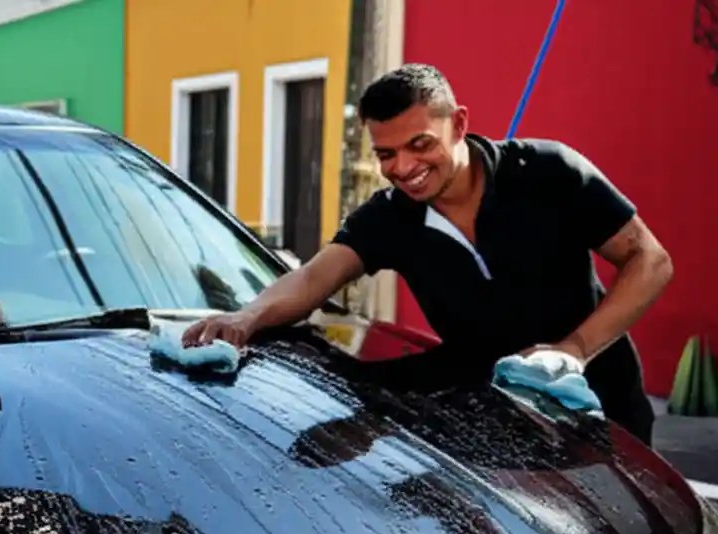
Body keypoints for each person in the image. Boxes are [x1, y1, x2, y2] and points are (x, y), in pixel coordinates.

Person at [182, 63, 672, 445]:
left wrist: (575, 350)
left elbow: (650, 261)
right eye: (386, 154)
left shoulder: (548, 171)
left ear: (458, 124)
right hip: (493, 428)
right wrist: (246, 317)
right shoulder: (390, 217)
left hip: (602, 414)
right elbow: (313, 279)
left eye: (420, 144)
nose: (405, 167)